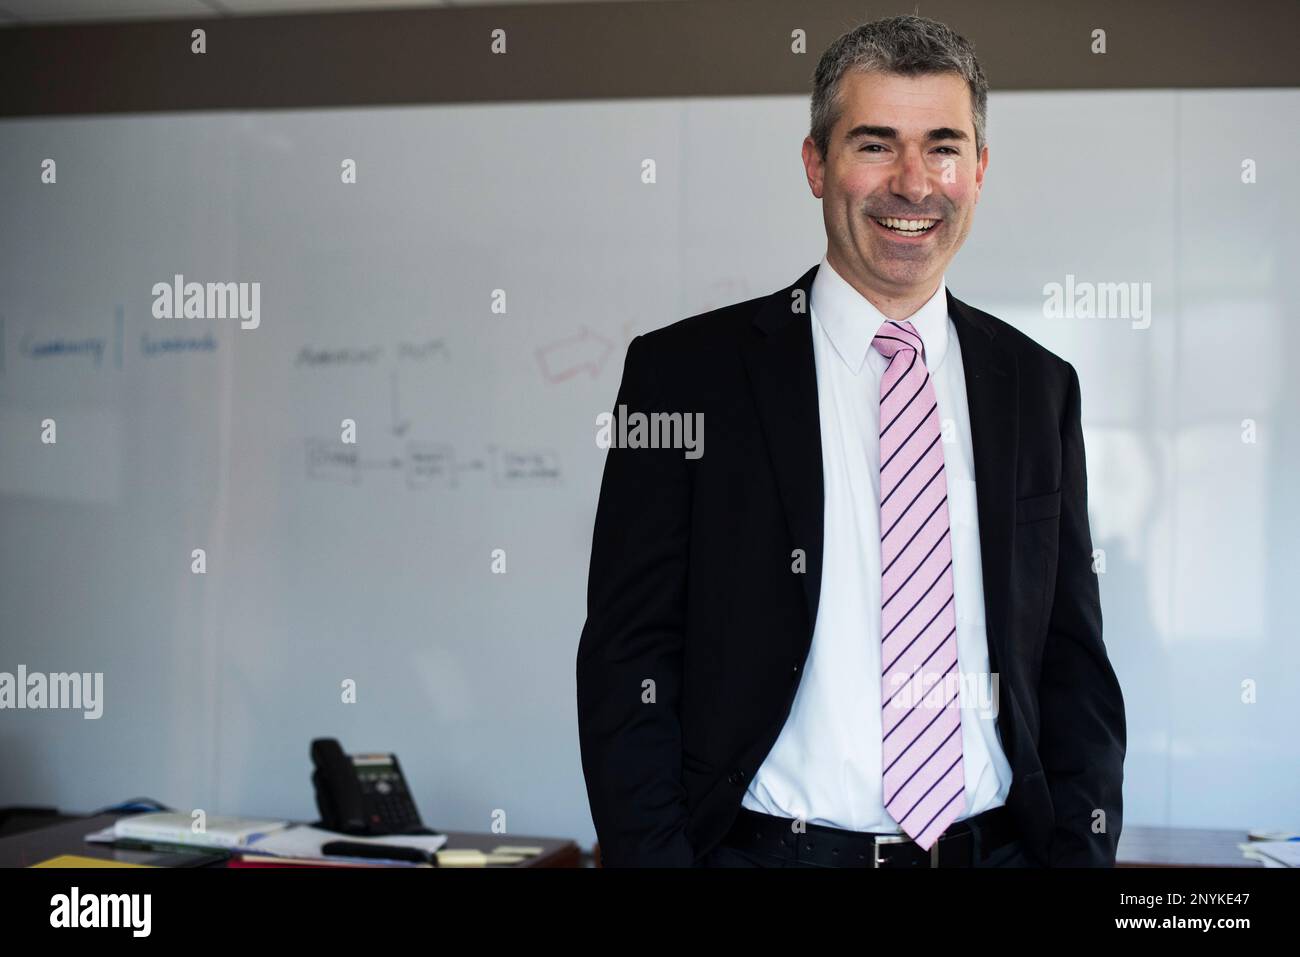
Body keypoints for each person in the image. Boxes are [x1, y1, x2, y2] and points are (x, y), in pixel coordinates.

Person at [576, 14, 1125, 868]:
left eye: (943, 147)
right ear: (815, 165)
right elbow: (626, 661)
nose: (913, 183)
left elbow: (1072, 663)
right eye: (876, 145)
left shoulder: (1037, 386)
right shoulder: (686, 377)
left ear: (979, 171)